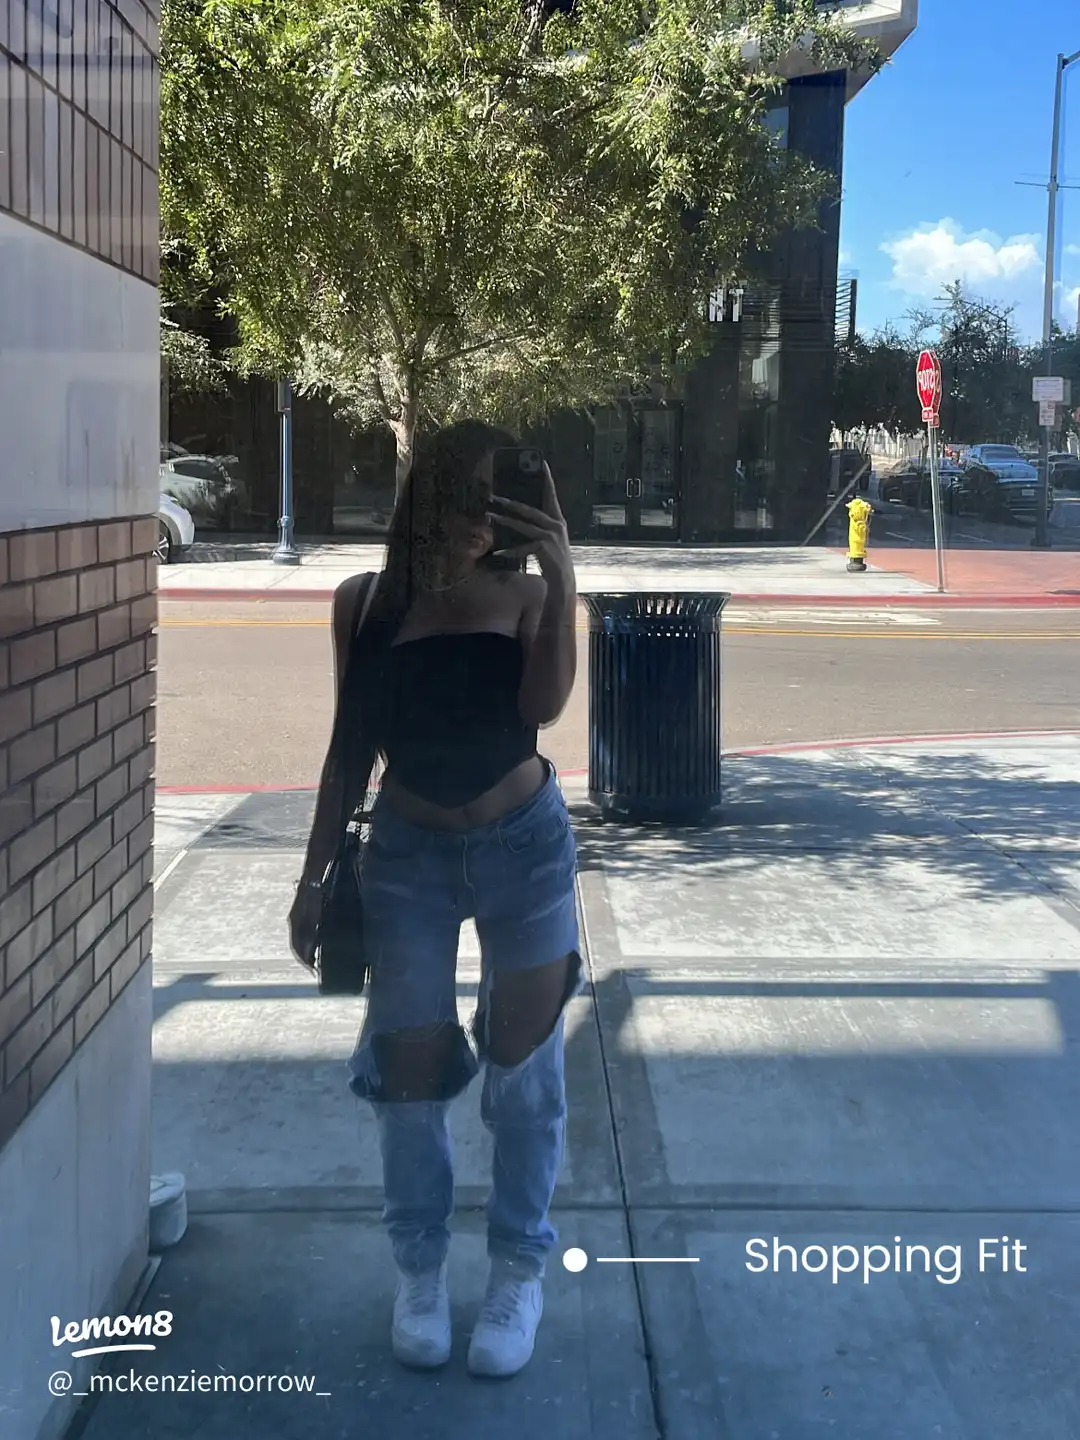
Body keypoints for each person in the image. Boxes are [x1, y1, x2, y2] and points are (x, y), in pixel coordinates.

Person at [289, 420, 581, 1379]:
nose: (472, 524)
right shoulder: (367, 603)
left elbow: (541, 710)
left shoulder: (525, 593)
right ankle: (421, 1270)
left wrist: (564, 573)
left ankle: (515, 1272)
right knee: (408, 1078)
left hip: (524, 848)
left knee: (523, 1077)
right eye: (460, 501)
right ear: (425, 501)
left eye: (492, 505)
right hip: (408, 855)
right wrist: (314, 872)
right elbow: (348, 748)